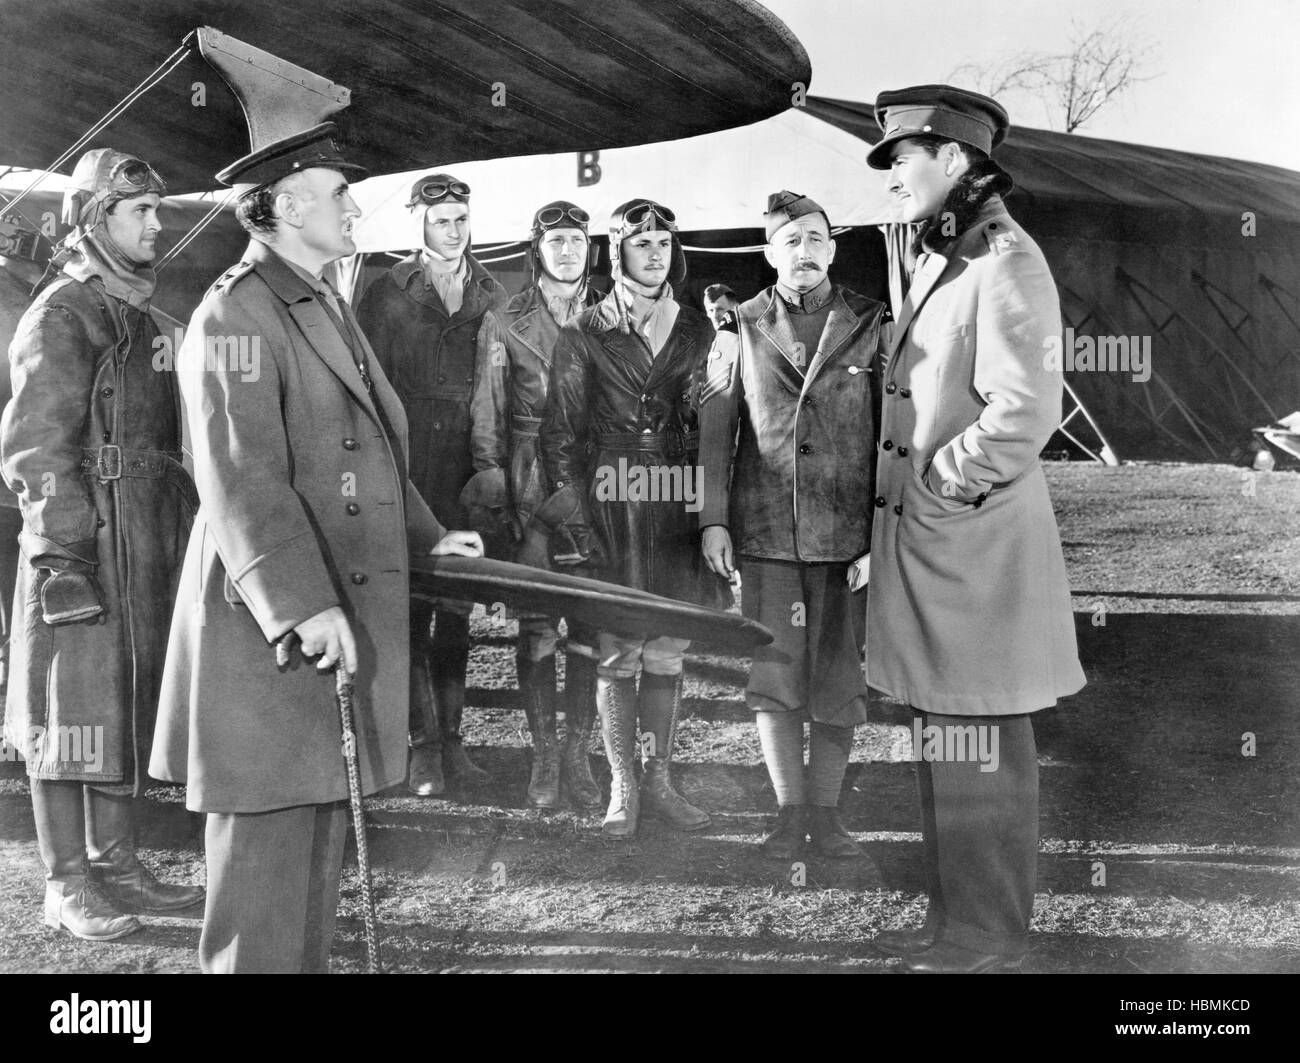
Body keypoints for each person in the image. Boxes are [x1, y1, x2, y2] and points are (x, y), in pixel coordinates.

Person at [149, 124, 483, 973]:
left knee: (315, 849)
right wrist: (302, 602)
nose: (355, 206)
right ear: (289, 205)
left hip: (323, 613)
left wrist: (433, 534)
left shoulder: (318, 296)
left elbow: (364, 448)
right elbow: (239, 478)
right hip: (275, 624)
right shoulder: (236, 309)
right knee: (265, 858)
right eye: (340, 193)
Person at [863, 86, 1086, 973]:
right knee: (943, 743)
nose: (891, 180)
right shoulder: (941, 253)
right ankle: (954, 917)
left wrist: (938, 485)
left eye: (901, 159)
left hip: (974, 549)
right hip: (937, 550)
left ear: (954, 159)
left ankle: (988, 936)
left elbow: (1027, 410)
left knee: (982, 746)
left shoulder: (1005, 258)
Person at [1, 149, 204, 941]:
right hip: (81, 544)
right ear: (94, 220)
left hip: (146, 533)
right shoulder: (61, 312)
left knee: (125, 702)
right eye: (139, 211)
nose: (157, 224)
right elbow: (33, 450)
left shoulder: (145, 316)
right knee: (68, 709)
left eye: (157, 209)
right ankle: (67, 881)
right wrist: (60, 555)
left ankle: (118, 867)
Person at [698, 191, 887, 859]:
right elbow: (718, 435)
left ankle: (827, 816)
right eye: (789, 240)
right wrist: (715, 521)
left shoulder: (872, 322)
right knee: (774, 673)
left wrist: (882, 534)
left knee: (839, 676)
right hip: (767, 531)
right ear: (768, 252)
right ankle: (786, 814)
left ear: (832, 249)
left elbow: (893, 439)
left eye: (815, 238)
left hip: (847, 537)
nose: (803, 251)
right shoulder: (739, 326)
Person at [540, 198, 723, 838]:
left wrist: (711, 516)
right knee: (618, 650)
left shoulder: (699, 331)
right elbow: (558, 439)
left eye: (664, 243)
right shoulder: (583, 332)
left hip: (676, 496)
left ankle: (659, 780)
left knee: (670, 646)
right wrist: (576, 525)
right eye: (640, 243)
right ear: (615, 252)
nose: (655, 253)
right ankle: (622, 787)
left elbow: (713, 428)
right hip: (612, 500)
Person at [356, 173, 508, 797]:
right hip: (407, 461)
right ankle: (419, 748)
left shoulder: (493, 293)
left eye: (462, 217)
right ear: (418, 221)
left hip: (467, 466)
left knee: (458, 610)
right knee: (410, 608)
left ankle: (453, 739)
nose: (454, 228)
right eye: (442, 218)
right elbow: (368, 386)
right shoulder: (385, 291)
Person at [468, 201, 603, 808]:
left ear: (591, 250)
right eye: (556, 241)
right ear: (537, 250)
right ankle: (543, 758)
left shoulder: (612, 314)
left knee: (591, 624)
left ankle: (580, 756)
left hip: (596, 481)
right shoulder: (504, 319)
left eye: (577, 240)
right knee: (538, 628)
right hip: (530, 479)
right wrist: (493, 477)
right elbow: (487, 407)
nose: (568, 250)